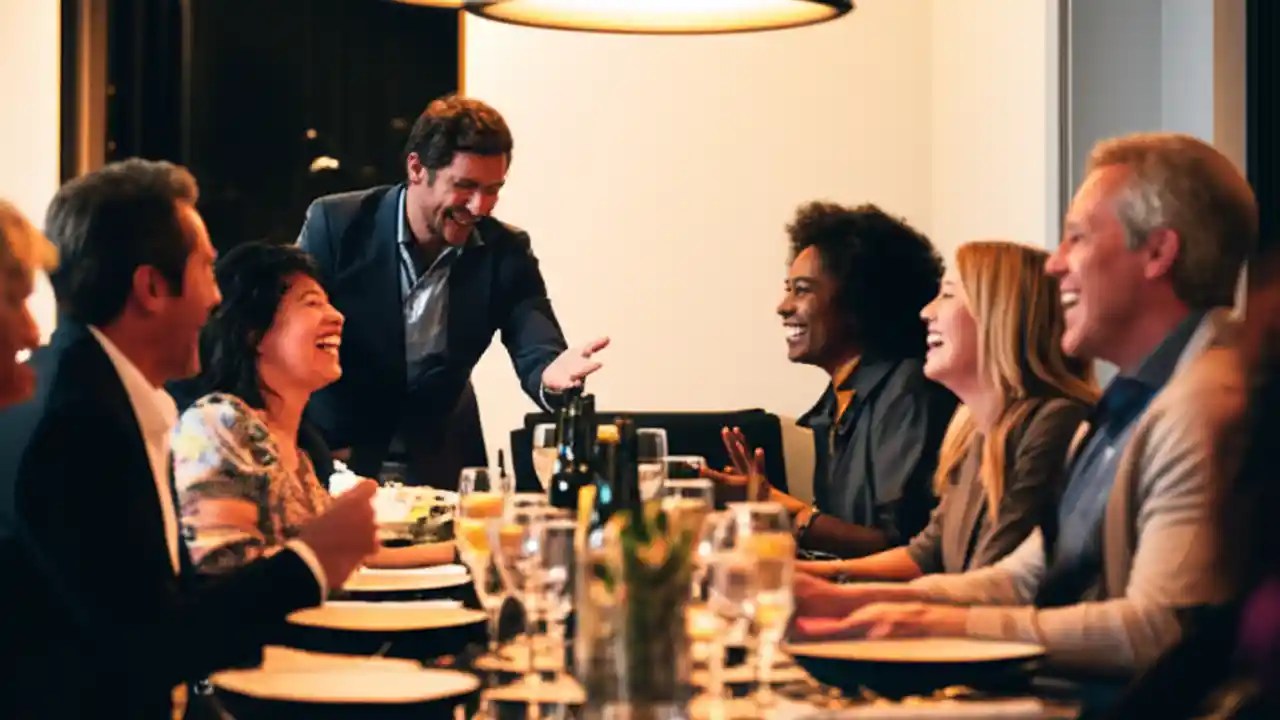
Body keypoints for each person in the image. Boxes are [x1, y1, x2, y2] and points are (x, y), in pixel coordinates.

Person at [791, 133, 1256, 683]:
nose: (1056, 265)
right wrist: (841, 600)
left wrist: (932, 625)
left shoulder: (1206, 406)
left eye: (1077, 238)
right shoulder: (1123, 406)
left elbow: (1157, 630)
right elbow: (1020, 576)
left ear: (1157, 252)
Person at [0, 159, 379, 718]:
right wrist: (312, 561)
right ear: (152, 287)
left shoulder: (106, 394)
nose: (216, 300)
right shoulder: (79, 421)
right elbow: (141, 647)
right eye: (206, 270)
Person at [296, 94, 607, 487]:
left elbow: (537, 346)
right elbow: (291, 337)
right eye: (465, 186)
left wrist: (550, 376)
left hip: (442, 461)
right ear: (416, 168)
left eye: (494, 189)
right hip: (339, 455)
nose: (480, 206)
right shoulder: (337, 225)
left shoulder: (506, 251)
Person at [797, 240, 1095, 580]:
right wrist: (804, 576)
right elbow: (925, 553)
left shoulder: (1054, 422)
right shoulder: (971, 428)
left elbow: (988, 580)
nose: (927, 312)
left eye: (949, 295)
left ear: (999, 315)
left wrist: (819, 582)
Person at [174, 242, 455, 575]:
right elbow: (224, 571)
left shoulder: (305, 454)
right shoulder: (219, 423)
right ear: (254, 333)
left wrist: (471, 548)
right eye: (311, 303)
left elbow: (351, 560)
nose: (337, 317)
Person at [706, 201, 957, 558]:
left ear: (860, 301)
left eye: (802, 289)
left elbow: (899, 546)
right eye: (788, 288)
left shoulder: (907, 392)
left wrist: (779, 509)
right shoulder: (836, 405)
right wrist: (767, 505)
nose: (783, 306)